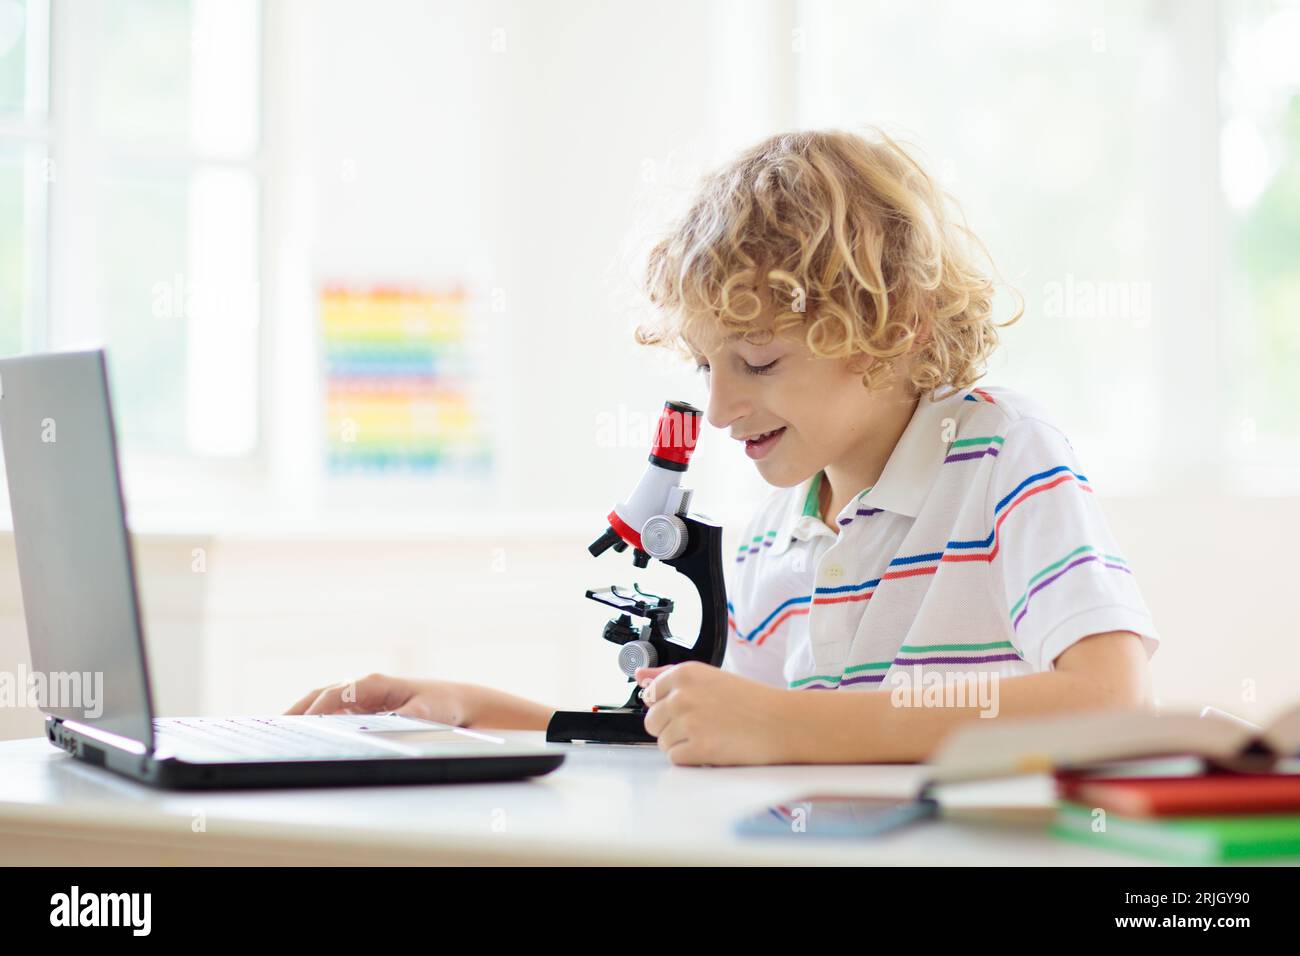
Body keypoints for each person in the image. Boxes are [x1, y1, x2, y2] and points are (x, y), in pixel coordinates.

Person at [286, 128, 1160, 766]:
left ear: (896, 326)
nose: (717, 404)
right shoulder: (775, 529)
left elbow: (1109, 700)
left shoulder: (1003, 454)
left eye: (758, 361)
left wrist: (798, 728)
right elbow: (719, 727)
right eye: (706, 363)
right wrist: (484, 713)